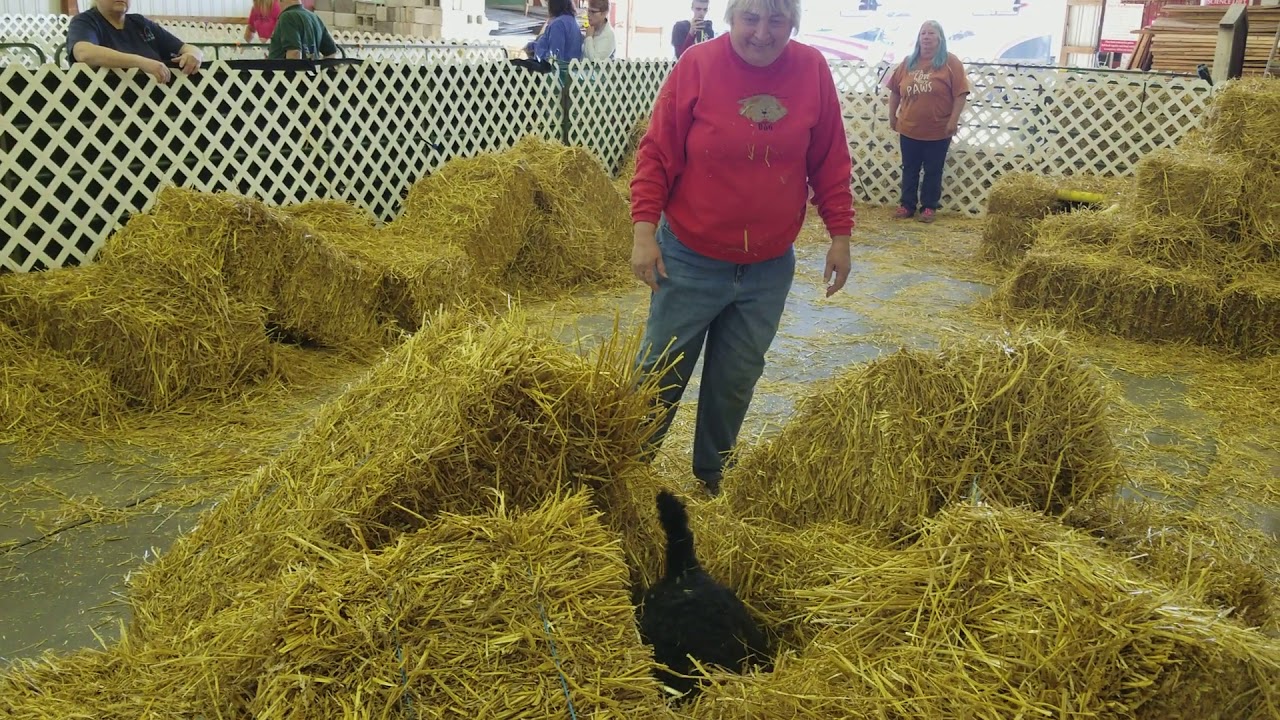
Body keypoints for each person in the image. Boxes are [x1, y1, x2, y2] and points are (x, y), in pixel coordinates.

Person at [629, 0, 854, 496]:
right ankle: (626, 470)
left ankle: (712, 476)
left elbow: (830, 159)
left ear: (792, 22)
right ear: (731, 17)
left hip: (768, 267)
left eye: (776, 19)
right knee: (658, 372)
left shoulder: (811, 69)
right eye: (751, 17)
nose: (762, 32)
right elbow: (658, 151)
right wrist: (645, 229)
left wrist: (840, 235)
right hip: (690, 255)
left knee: (736, 378)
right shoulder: (698, 65)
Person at [886, 20, 969, 223]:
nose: (926, 37)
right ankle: (907, 205)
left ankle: (929, 207)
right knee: (909, 168)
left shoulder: (951, 63)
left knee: (933, 170)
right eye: (923, 33)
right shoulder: (908, 63)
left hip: (938, 129)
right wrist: (892, 116)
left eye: (931, 33)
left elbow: (960, 94)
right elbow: (895, 91)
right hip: (909, 127)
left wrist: (953, 120)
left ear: (939, 38)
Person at [66, 0, 203, 84]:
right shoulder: (84, 21)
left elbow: (186, 48)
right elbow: (84, 53)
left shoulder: (140, 22)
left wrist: (194, 55)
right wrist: (141, 63)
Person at [268, 0, 338, 60]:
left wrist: (295, 73)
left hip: (283, 73)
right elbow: (331, 52)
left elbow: (294, 52)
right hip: (311, 73)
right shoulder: (314, 17)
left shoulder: (287, 17)